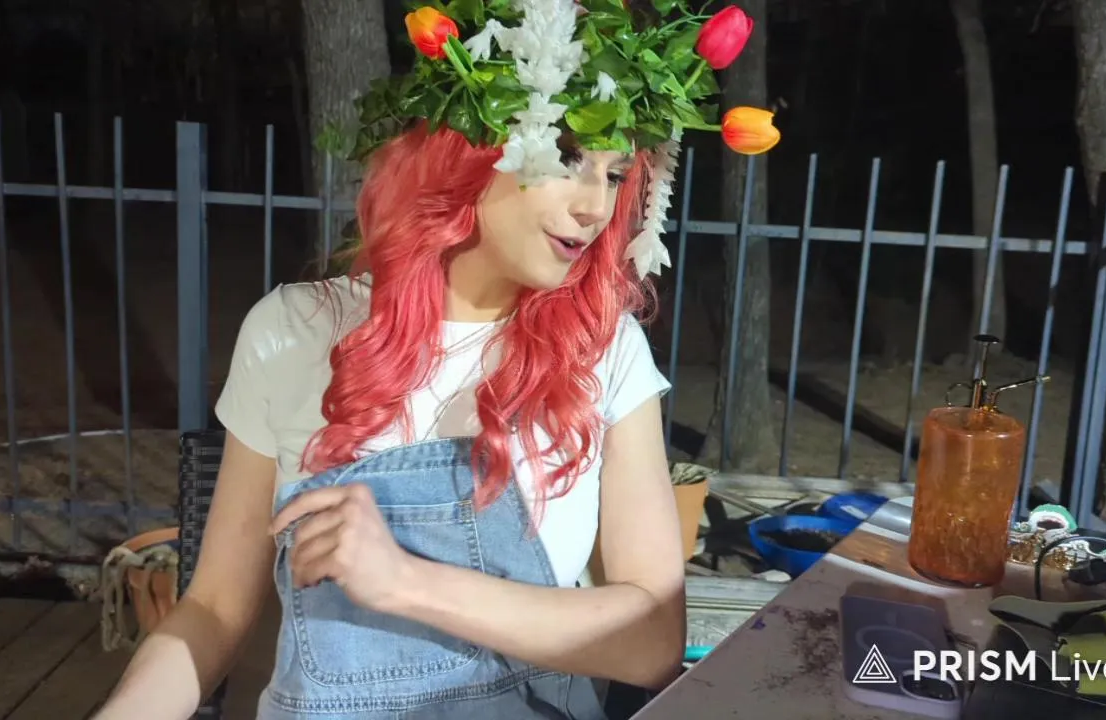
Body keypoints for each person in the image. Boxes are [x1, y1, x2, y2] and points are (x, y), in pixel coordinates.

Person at [96, 2, 778, 718]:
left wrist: (405, 582)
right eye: (569, 156)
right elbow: (210, 610)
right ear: (471, 146)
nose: (595, 207)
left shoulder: (604, 352)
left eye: (615, 175)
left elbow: (651, 639)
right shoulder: (291, 333)